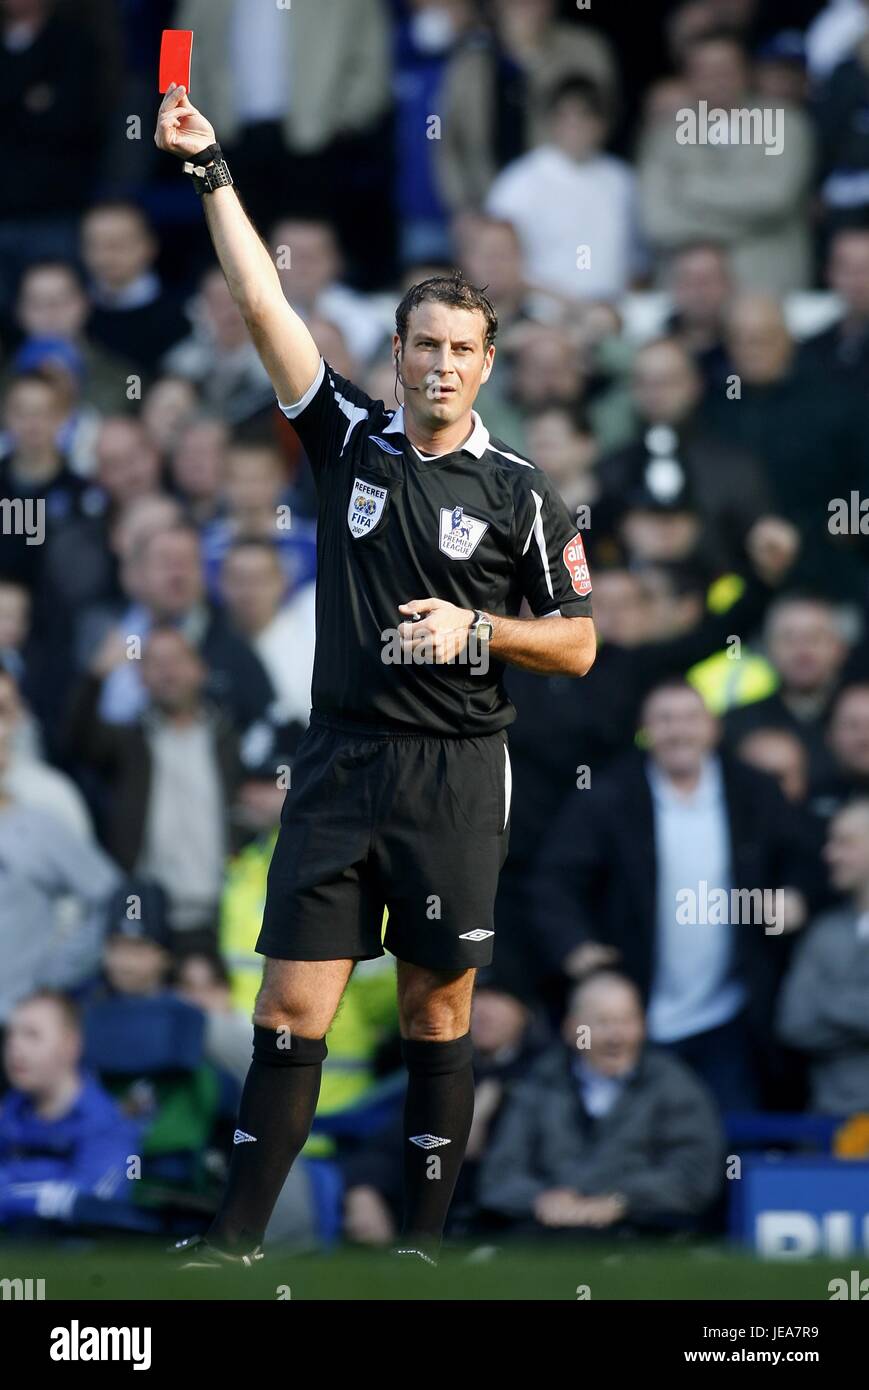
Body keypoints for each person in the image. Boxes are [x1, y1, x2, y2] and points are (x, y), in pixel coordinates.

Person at [154, 77, 596, 1269]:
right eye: (423, 346)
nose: (440, 365)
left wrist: (478, 629)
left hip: (456, 770)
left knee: (433, 1011)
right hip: (341, 757)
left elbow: (579, 639)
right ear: (394, 354)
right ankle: (233, 1245)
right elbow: (260, 303)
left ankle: (421, 1250)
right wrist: (211, 173)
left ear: (488, 364)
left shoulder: (520, 494)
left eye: (461, 349)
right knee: (288, 1009)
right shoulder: (345, 435)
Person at [532, 678, 815, 1111]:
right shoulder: (610, 795)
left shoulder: (754, 790)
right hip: (636, 1015)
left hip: (731, 1014)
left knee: (730, 1139)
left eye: (689, 718)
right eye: (664, 720)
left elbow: (807, 857)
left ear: (713, 727)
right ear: (645, 729)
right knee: (638, 1140)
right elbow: (556, 878)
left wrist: (795, 897)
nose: (678, 731)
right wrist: (574, 945)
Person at [477, 971, 722, 1235]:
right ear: (571, 1028)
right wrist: (543, 1200)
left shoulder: (674, 1084)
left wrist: (620, 1201)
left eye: (626, 1021)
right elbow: (500, 1176)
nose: (615, 1037)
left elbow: (695, 1175)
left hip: (643, 1233)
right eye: (602, 1022)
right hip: (546, 1232)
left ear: (643, 1026)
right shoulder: (539, 1083)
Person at [0, 991, 139, 1229]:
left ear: (70, 1045)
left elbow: (96, 1201)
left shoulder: (111, 1125)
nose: (15, 1048)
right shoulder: (11, 1110)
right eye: (11, 1035)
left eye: (32, 1035)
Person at [777, 800, 869, 1114]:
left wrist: (828, 1003)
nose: (830, 854)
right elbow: (795, 1023)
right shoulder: (823, 932)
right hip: (829, 1121)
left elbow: (815, 1012)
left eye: (844, 842)